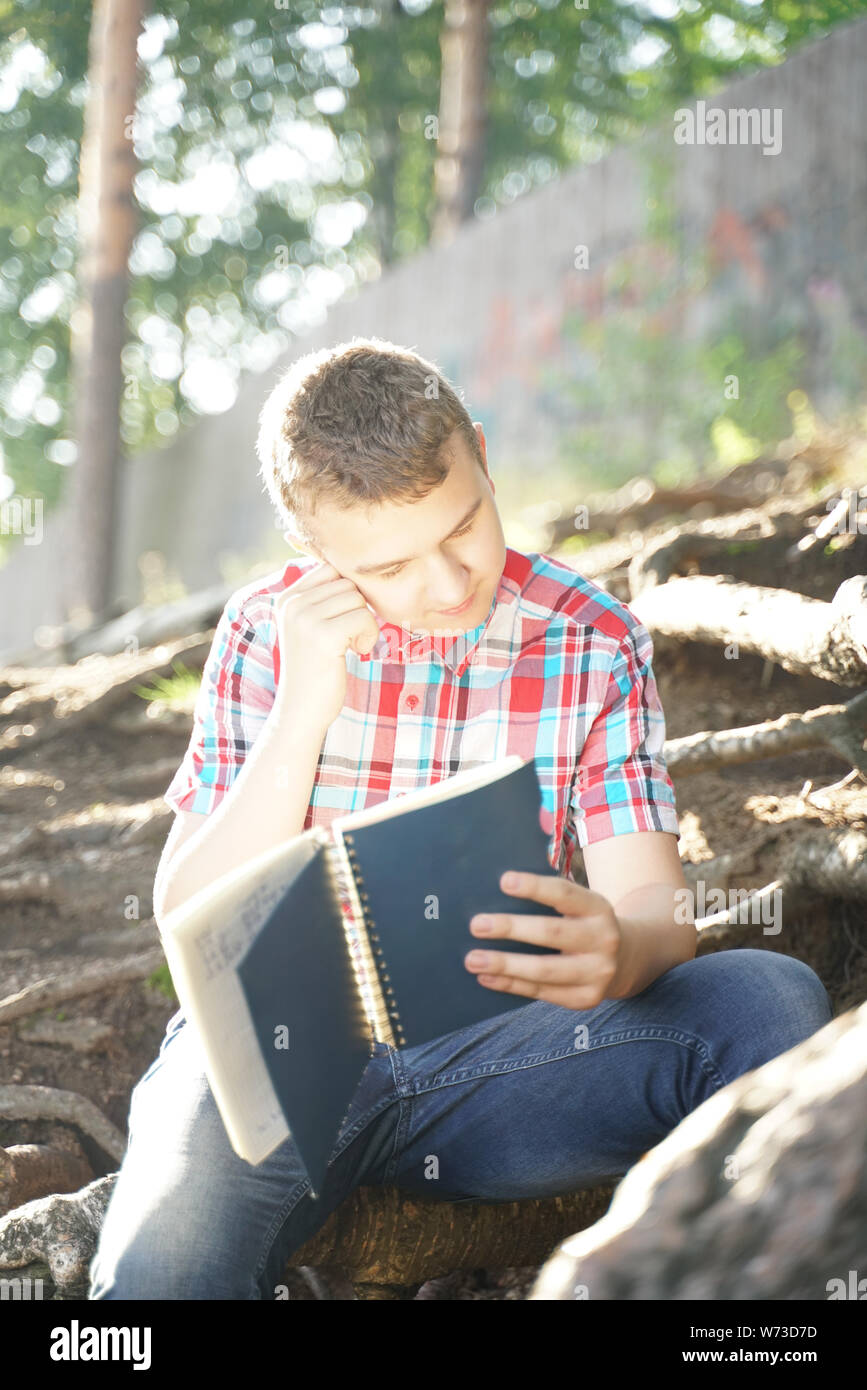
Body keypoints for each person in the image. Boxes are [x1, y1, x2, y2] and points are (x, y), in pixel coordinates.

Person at [88, 336, 832, 1299]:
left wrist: (623, 950)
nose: (448, 585)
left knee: (765, 999)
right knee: (162, 1274)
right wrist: (304, 710)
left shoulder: (591, 640)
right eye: (392, 566)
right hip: (275, 1062)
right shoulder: (262, 635)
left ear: (480, 454)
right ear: (315, 554)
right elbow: (186, 905)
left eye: (463, 526)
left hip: (504, 1059)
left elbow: (653, 901)